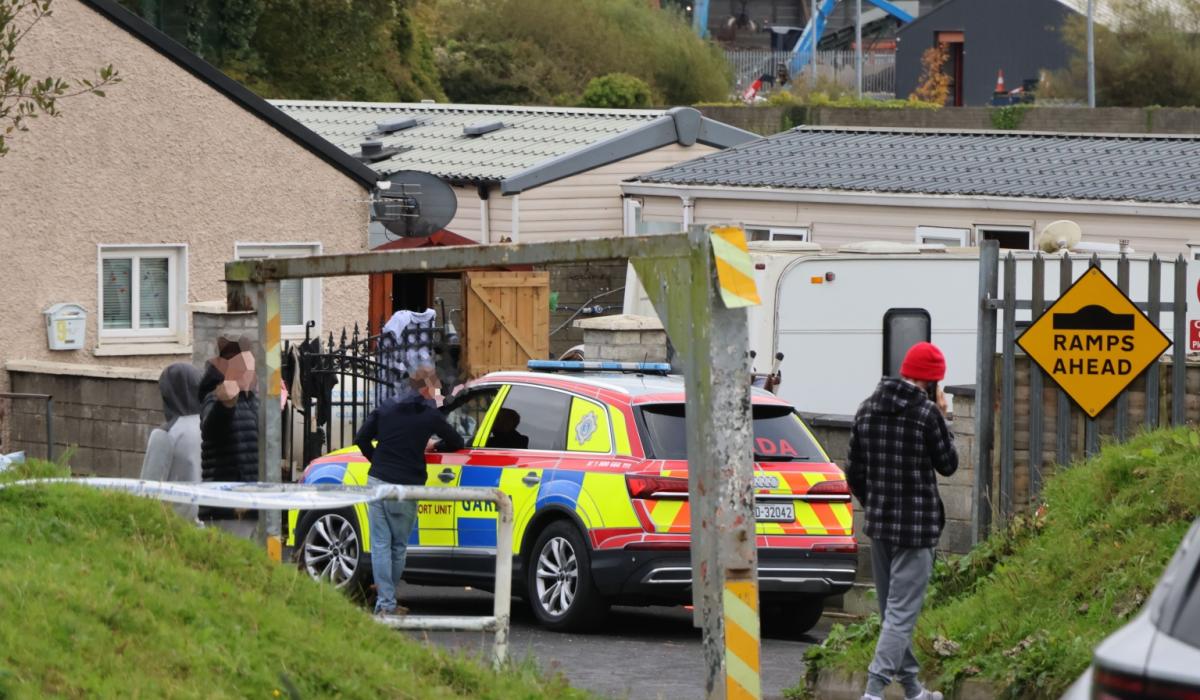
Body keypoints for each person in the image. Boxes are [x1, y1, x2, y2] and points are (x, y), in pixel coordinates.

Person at [846, 341, 958, 700]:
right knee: (900, 615)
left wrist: (876, 503)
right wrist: (943, 416)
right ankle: (873, 692)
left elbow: (854, 473)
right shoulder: (926, 414)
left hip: (880, 526)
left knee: (892, 614)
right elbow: (949, 464)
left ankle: (912, 690)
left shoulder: (866, 409)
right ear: (931, 381)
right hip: (917, 528)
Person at [355, 365, 464, 615]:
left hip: (377, 481)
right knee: (398, 546)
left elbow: (361, 438)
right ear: (425, 389)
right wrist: (434, 445)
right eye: (435, 388)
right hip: (405, 485)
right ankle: (386, 603)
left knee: (380, 544)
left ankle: (385, 599)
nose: (438, 393)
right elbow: (457, 442)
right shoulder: (429, 414)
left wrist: (378, 461)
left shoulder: (386, 407)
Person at [198, 334, 260, 539]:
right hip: (226, 508)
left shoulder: (251, 400)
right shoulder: (214, 397)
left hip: (253, 505)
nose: (250, 373)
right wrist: (225, 405)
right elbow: (211, 428)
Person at [140, 363, 203, 522]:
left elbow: (148, 490)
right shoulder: (211, 426)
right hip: (211, 527)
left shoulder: (166, 434)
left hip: (174, 528)